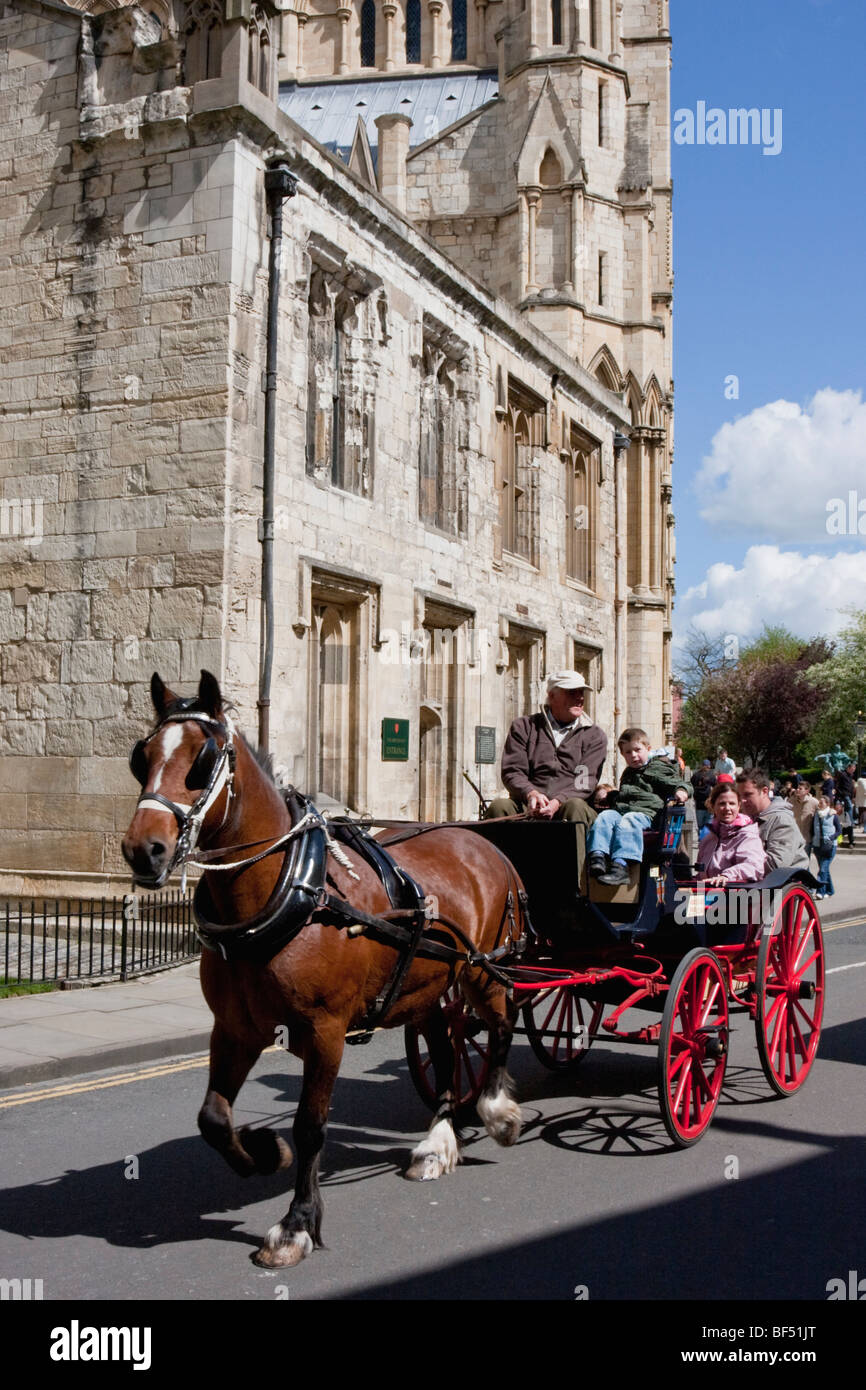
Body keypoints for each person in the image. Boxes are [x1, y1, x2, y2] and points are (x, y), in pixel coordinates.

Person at [488, 671, 608, 832]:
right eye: (572, 692)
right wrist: (530, 793)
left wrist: (557, 802)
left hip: (569, 808)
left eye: (582, 693)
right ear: (552, 696)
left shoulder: (594, 735)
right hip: (528, 806)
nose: (580, 698)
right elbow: (512, 771)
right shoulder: (525, 727)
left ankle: (573, 858)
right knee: (499, 806)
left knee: (575, 806)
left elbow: (584, 782)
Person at [587, 727, 690, 886]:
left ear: (648, 749)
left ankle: (621, 865)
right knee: (605, 817)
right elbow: (629, 794)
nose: (633, 755)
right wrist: (613, 796)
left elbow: (679, 783)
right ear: (622, 755)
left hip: (647, 815)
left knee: (630, 819)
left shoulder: (657, 768)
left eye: (637, 750)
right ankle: (597, 857)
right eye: (628, 752)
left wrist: (682, 791)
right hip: (623, 812)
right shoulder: (628, 772)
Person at [735, 768, 809, 871]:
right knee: (705, 886)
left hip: (779, 884)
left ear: (765, 791)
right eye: (740, 795)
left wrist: (735, 869)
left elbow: (775, 864)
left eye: (748, 795)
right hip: (748, 881)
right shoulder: (744, 820)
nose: (742, 800)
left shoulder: (782, 820)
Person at [697, 782, 767, 886]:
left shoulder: (747, 835)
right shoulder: (709, 838)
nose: (727, 808)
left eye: (732, 803)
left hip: (736, 896)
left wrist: (726, 876)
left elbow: (754, 866)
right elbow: (701, 873)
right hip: (707, 893)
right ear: (713, 806)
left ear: (739, 806)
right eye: (722, 804)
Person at [811, 796, 840, 899]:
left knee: (823, 870)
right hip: (818, 846)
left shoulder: (833, 815)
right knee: (825, 870)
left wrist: (831, 838)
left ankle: (820, 892)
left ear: (827, 804)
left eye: (822, 802)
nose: (820, 804)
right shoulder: (816, 815)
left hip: (830, 846)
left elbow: (839, 830)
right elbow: (812, 829)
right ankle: (830, 890)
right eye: (819, 802)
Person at [791, 782, 819, 863]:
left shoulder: (814, 802)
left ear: (807, 791)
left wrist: (832, 811)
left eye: (800, 789)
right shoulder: (791, 801)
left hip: (806, 839)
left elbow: (823, 811)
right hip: (793, 839)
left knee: (804, 864)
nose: (797, 790)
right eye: (797, 788)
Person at [691, 760, 717, 830]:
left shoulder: (711, 775)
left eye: (707, 766)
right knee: (701, 823)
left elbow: (715, 786)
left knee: (707, 823)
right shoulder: (696, 775)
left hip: (708, 802)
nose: (707, 767)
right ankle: (702, 837)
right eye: (705, 765)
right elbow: (692, 786)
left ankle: (704, 837)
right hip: (700, 802)